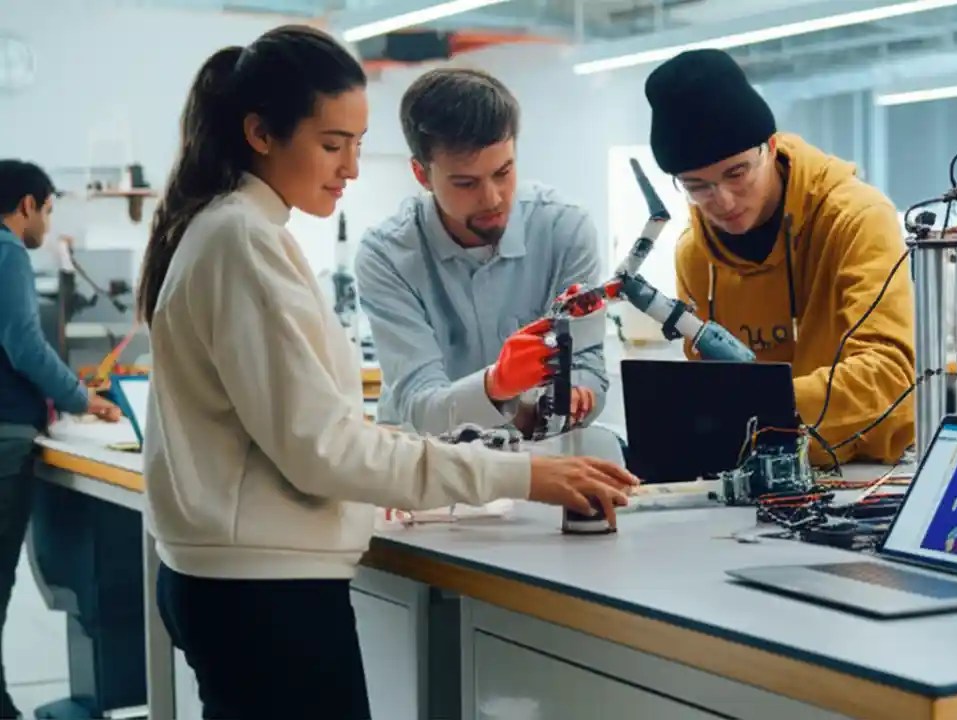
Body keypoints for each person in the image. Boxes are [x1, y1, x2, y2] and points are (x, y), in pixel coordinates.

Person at [137, 26, 636, 719]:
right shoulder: (243, 241)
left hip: (249, 588)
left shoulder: (235, 231)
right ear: (259, 133)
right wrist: (525, 474)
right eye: (331, 145)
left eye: (357, 145)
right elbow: (326, 450)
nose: (348, 169)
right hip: (264, 595)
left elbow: (319, 437)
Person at [644, 49, 915, 465]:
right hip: (763, 472)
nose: (724, 201)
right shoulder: (694, 255)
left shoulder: (858, 219)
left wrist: (762, 401)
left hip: (870, 470)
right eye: (698, 186)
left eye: (737, 173)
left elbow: (890, 374)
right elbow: (708, 394)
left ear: (769, 147)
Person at [356, 67, 607, 439]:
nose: (491, 198)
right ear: (422, 174)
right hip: (425, 460)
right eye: (465, 182)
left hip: (536, 450)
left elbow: (588, 365)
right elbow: (422, 403)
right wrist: (496, 385)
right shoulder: (387, 255)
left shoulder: (565, 230)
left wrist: (574, 396)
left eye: (503, 172)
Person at [0, 159, 121, 719]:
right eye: (47, 211)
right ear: (27, 205)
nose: (46, 226)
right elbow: (23, 343)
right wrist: (79, 397)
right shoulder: (8, 253)